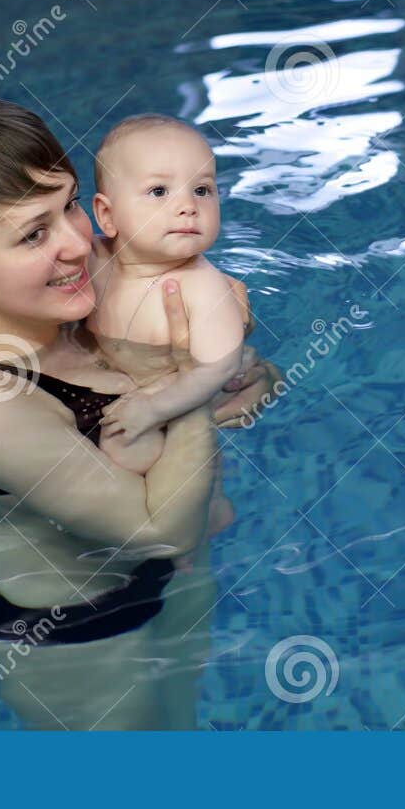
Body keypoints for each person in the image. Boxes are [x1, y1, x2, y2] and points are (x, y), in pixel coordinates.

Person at [0, 100, 277, 729]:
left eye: (67, 204)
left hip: (178, 571)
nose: (77, 242)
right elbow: (158, 527)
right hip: (70, 629)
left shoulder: (87, 279)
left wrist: (232, 362)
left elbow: (253, 380)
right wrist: (192, 385)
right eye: (33, 233)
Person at [87, 114, 244, 538]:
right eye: (159, 191)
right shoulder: (94, 261)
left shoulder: (202, 286)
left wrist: (157, 407)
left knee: (131, 452)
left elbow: (218, 368)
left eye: (202, 189)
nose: (187, 205)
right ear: (107, 214)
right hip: (116, 385)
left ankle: (199, 518)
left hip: (170, 395)